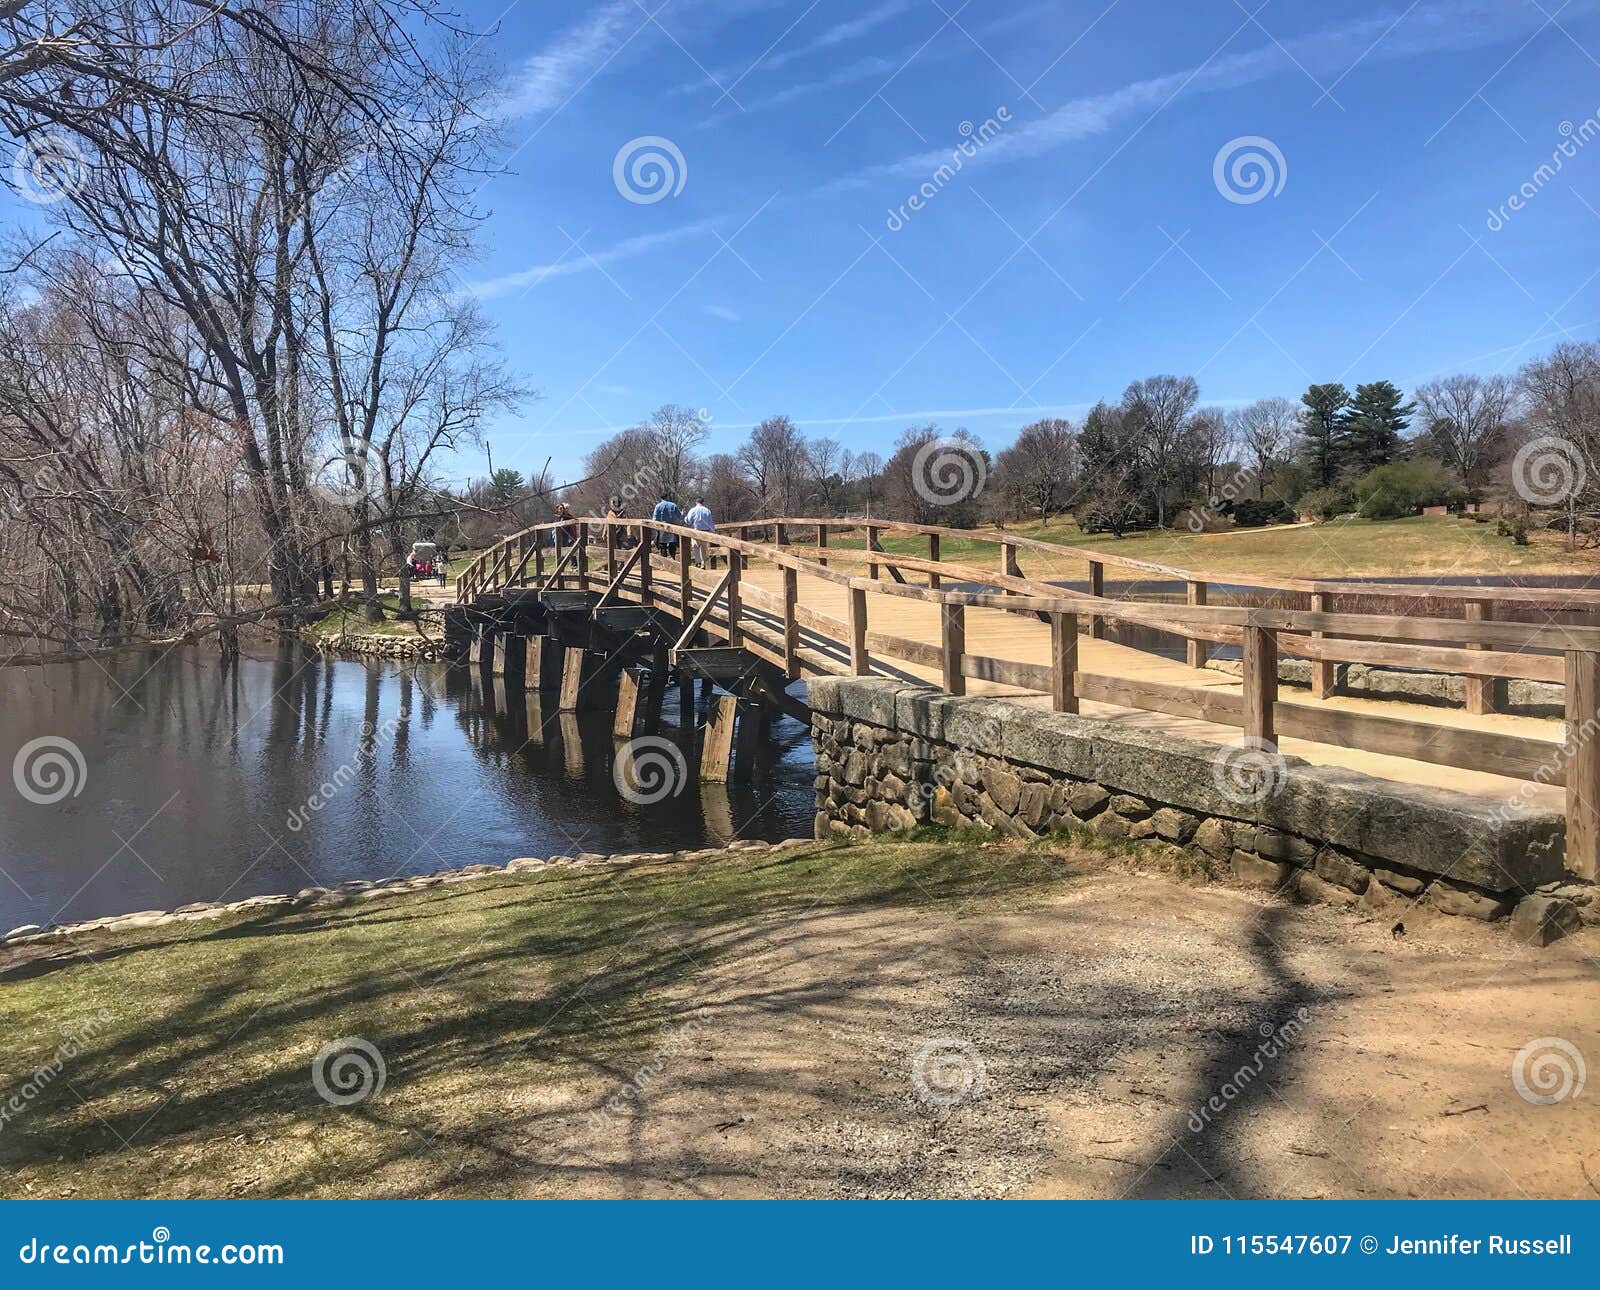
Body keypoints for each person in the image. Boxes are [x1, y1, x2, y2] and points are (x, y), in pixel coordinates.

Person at [684, 496, 716, 568]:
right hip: (705, 532)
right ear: (702, 502)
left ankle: (698, 562)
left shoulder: (693, 510)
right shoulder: (707, 510)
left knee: (696, 547)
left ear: (696, 502)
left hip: (696, 531)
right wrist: (712, 531)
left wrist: (685, 518)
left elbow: (688, 521)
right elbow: (710, 522)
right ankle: (703, 563)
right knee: (703, 548)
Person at [651, 493, 682, 558]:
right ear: (667, 497)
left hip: (662, 527)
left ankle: (663, 560)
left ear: (661, 498)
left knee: (662, 545)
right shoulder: (673, 505)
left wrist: (656, 527)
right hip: (672, 527)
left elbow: (655, 518)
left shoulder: (658, 506)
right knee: (672, 544)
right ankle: (673, 558)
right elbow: (679, 516)